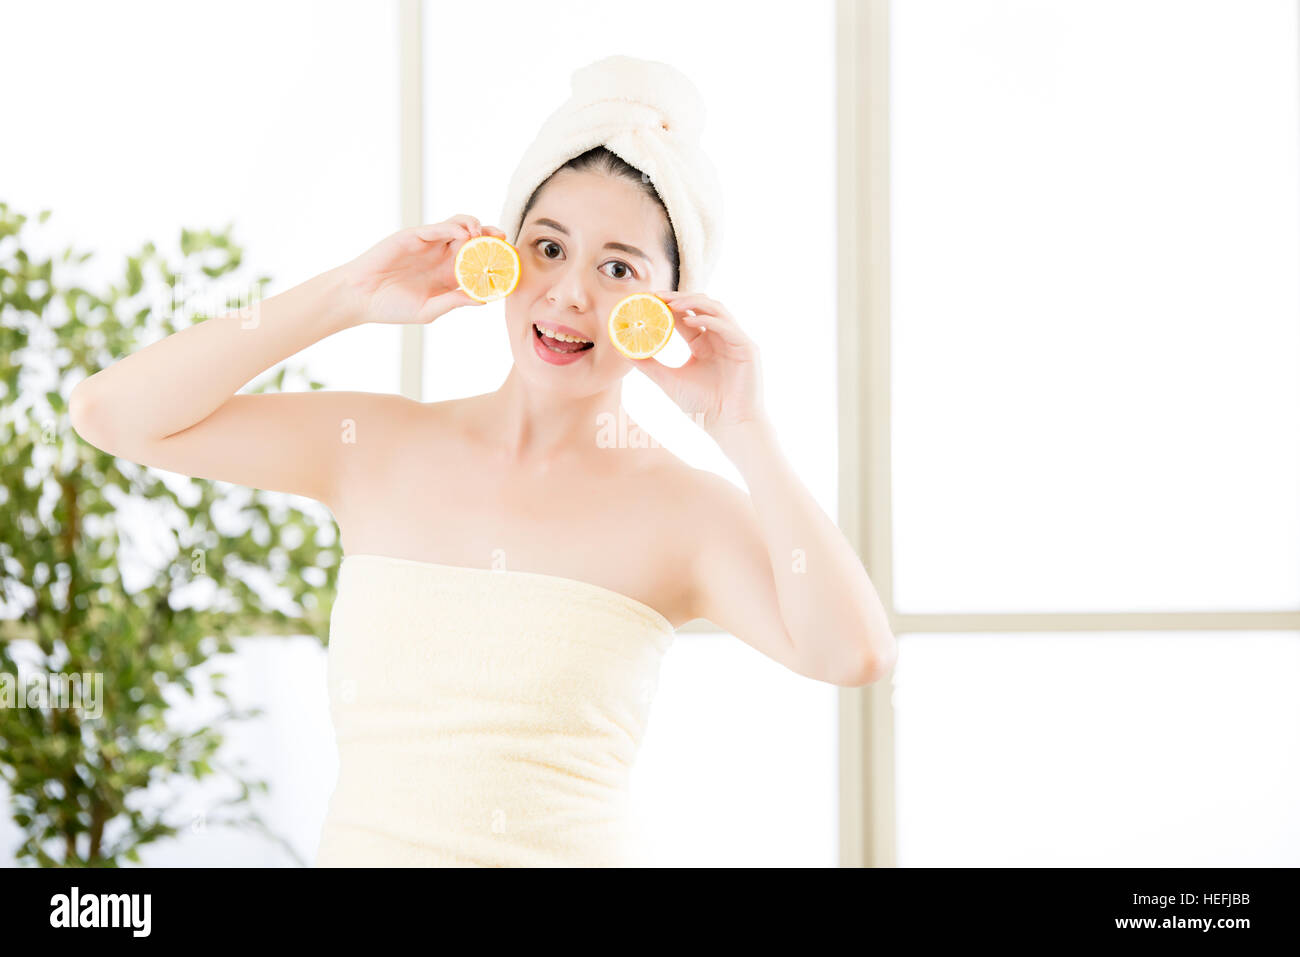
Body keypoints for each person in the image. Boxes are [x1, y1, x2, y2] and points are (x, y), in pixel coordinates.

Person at [69, 55, 896, 867]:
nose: (570, 294)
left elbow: (852, 652)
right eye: (547, 247)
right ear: (502, 258)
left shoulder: (684, 513)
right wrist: (344, 297)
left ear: (668, 306)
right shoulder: (377, 448)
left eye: (618, 268)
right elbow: (112, 413)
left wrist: (743, 426)